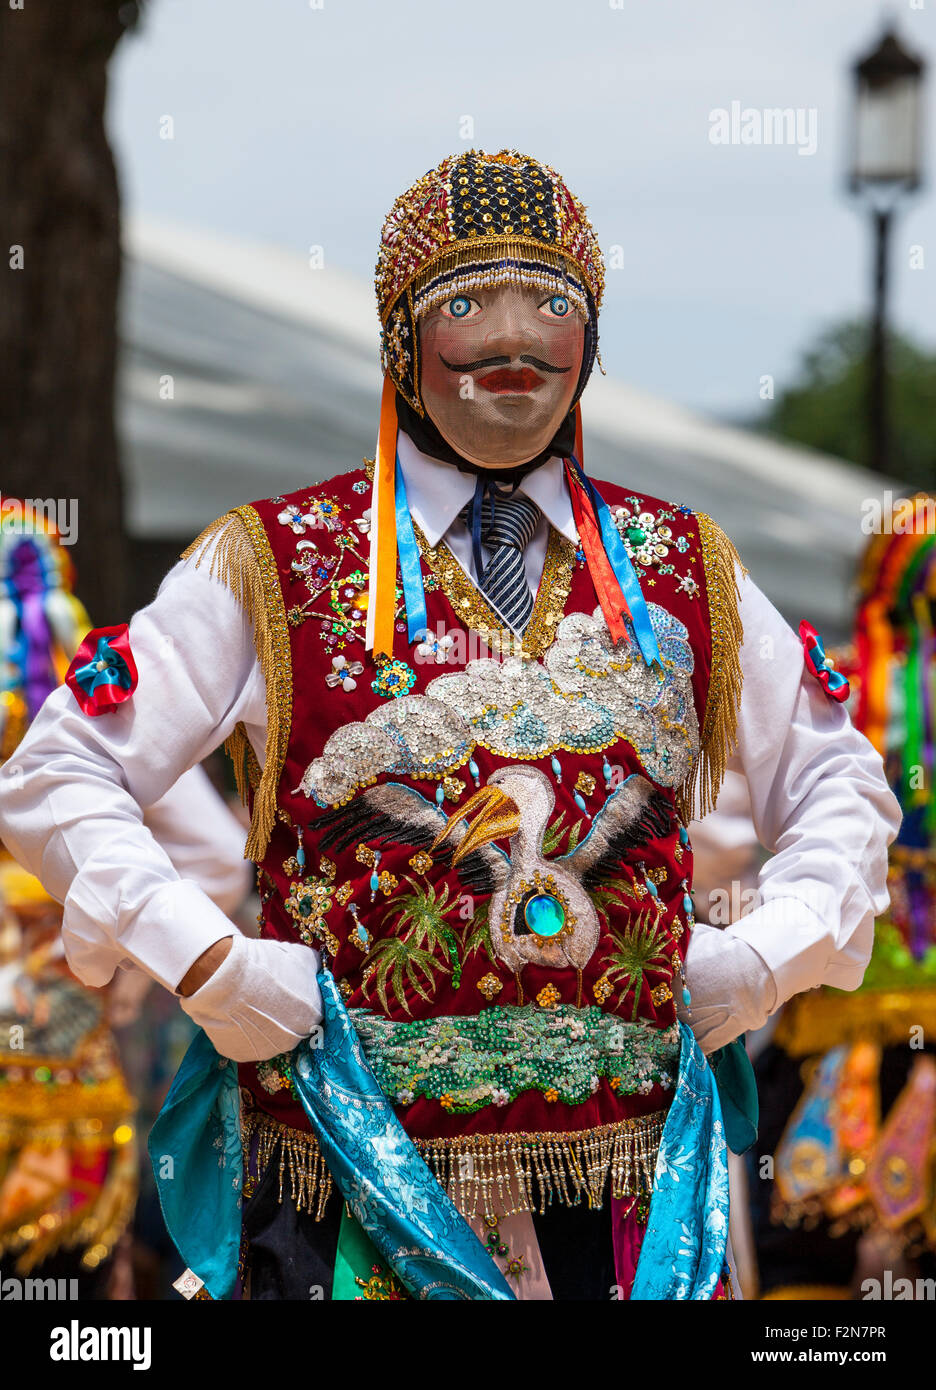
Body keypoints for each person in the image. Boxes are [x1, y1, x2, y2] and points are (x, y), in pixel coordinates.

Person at [0, 150, 900, 1301]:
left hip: (631, 1211)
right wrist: (207, 957)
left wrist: (767, 957)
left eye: (555, 302)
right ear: (398, 338)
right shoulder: (275, 561)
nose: (517, 340)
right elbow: (59, 767)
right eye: (468, 303)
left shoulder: (686, 565)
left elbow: (845, 782)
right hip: (351, 1185)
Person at [0, 502, 251, 1295]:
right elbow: (216, 857)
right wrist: (117, 956)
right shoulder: (72, 691)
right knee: (65, 1295)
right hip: (55, 1061)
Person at [746, 493, 936, 1300]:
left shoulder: (836, 690)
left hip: (833, 1010)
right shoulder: (834, 692)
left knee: (803, 1243)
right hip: (839, 1018)